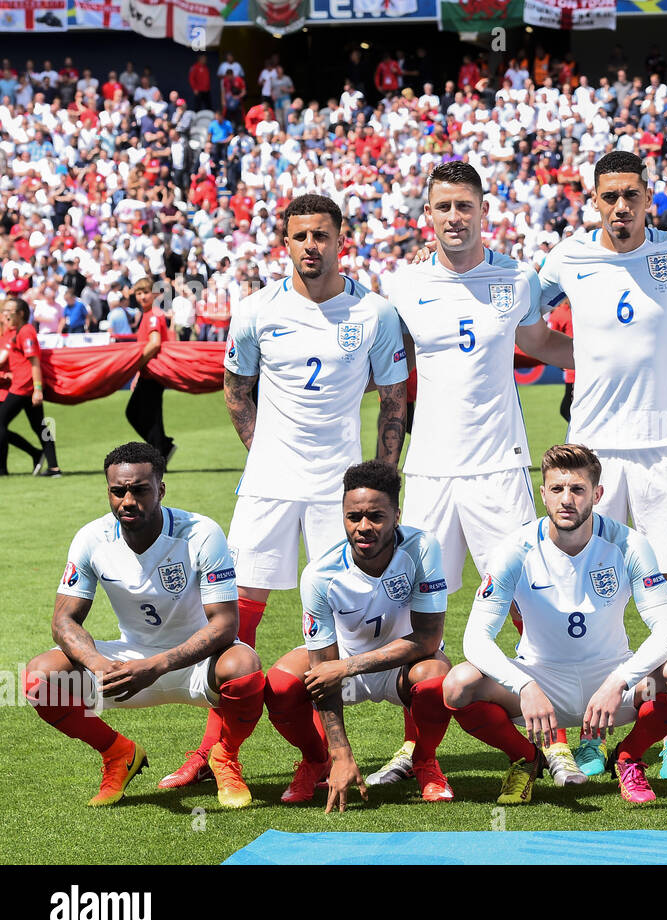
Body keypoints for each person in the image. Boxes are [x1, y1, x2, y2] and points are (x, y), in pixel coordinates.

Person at [158, 193, 408, 789]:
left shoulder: (373, 312)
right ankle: (214, 752)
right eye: (301, 237)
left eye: (322, 235)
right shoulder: (254, 310)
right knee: (233, 625)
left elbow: (394, 403)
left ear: (340, 238)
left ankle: (319, 758)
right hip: (269, 485)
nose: (311, 247)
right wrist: (265, 451)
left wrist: (379, 485)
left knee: (325, 627)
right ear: (285, 243)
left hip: (339, 491)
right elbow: (235, 389)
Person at [372, 161, 575, 788]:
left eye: (465, 206)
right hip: (430, 472)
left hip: (498, 470)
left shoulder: (519, 278)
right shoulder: (402, 286)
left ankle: (558, 743)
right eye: (442, 207)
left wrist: (624, 358)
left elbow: (546, 344)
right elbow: (384, 371)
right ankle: (418, 751)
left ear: (484, 210)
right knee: (417, 617)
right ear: (426, 214)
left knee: (528, 606)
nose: (454, 218)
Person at [537, 151, 667, 780]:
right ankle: (586, 734)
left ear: (649, 197)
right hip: (593, 453)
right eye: (611, 197)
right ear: (595, 201)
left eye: (633, 195)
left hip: (664, 451)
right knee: (586, 594)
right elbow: (524, 324)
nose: (623, 208)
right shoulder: (567, 258)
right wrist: (575, 355)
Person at [440, 444, 667, 805]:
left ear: (597, 494)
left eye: (577, 489)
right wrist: (523, 685)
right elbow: (475, 639)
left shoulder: (629, 544)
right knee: (459, 684)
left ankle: (628, 756)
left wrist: (620, 681)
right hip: (540, 687)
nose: (566, 499)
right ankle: (527, 757)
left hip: (615, 689)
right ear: (543, 494)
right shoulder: (515, 549)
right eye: (556, 489)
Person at [24, 442, 264, 807]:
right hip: (127, 661)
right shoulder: (92, 539)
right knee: (39, 678)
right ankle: (117, 752)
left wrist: (156, 666)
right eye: (117, 491)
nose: (127, 501)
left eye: (139, 490)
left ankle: (224, 757)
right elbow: (64, 621)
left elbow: (225, 626)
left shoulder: (200, 532)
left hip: (196, 663)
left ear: (161, 490)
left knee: (244, 669)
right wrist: (99, 664)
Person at [263, 460, 454, 809]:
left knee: (435, 679)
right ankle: (316, 760)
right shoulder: (320, 575)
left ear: (397, 514)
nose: (363, 527)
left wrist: (348, 667)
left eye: (376, 517)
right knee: (280, 685)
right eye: (353, 517)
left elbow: (428, 638)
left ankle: (425, 761)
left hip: (404, 665)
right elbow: (324, 664)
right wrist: (341, 754)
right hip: (343, 663)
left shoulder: (422, 547)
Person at [0, 296, 60, 477]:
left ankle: (2, 469)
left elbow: (35, 362)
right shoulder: (17, 332)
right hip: (23, 385)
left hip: (23, 387)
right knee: (39, 427)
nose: (7, 314)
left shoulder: (26, 331)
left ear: (21, 313)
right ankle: (53, 467)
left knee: (1, 422)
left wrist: (38, 389)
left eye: (10, 310)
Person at [123, 276, 175, 463]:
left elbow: (154, 344)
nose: (142, 297)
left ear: (153, 294)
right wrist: (138, 373)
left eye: (145, 293)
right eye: (138, 293)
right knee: (152, 416)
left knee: (136, 413)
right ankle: (162, 449)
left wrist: (135, 365)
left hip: (154, 373)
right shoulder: (147, 315)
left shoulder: (153, 315)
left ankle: (161, 450)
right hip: (149, 373)